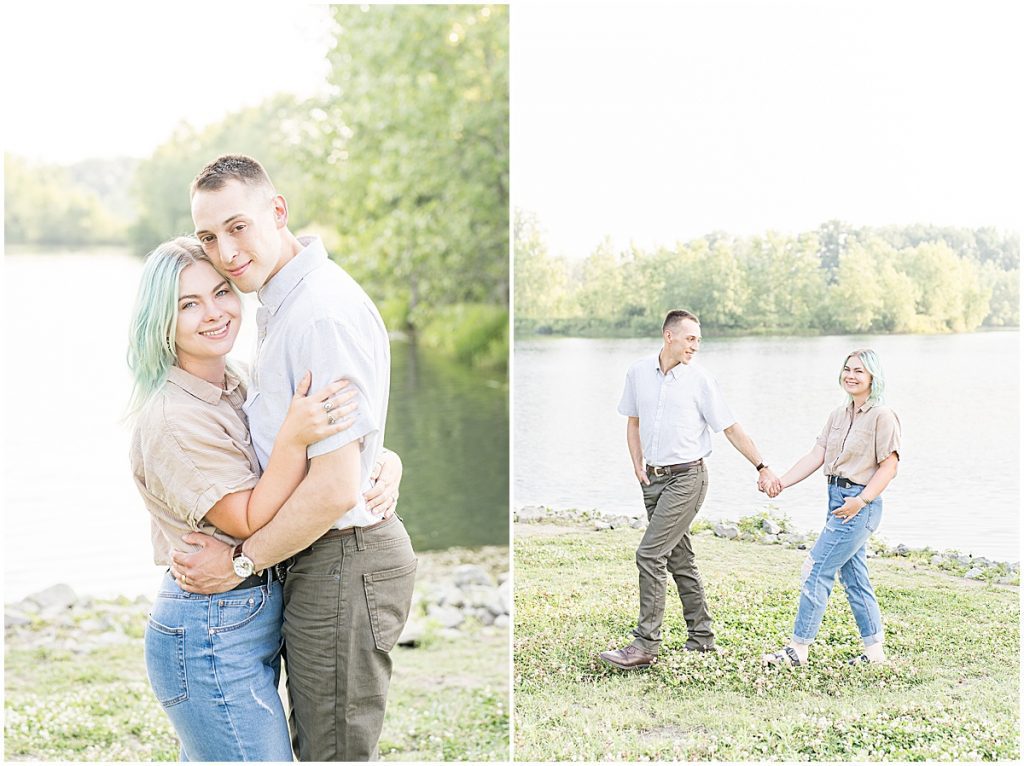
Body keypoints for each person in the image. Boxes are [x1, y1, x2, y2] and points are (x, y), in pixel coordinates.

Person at [168, 154, 417, 761]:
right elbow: (341, 453)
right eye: (208, 236)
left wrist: (241, 564)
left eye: (238, 226)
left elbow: (334, 489)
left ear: (277, 212)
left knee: (330, 754)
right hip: (314, 559)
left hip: (342, 560)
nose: (226, 251)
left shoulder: (319, 313)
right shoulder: (281, 306)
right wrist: (382, 458)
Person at [599, 310, 782, 670]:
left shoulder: (700, 380)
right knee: (679, 559)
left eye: (698, 339)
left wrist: (762, 466)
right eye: (690, 338)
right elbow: (633, 421)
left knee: (650, 555)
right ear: (669, 336)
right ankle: (701, 639)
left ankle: (645, 646)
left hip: (688, 479)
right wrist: (637, 462)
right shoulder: (637, 373)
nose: (695, 345)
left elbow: (730, 428)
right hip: (653, 480)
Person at [762, 348, 900, 667]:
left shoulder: (883, 416)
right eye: (847, 369)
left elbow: (889, 467)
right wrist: (781, 481)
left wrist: (860, 501)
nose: (851, 376)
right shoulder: (838, 415)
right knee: (854, 577)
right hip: (836, 500)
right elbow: (816, 455)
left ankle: (798, 650)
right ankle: (875, 654)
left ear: (873, 378)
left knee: (816, 567)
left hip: (859, 504)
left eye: (859, 371)